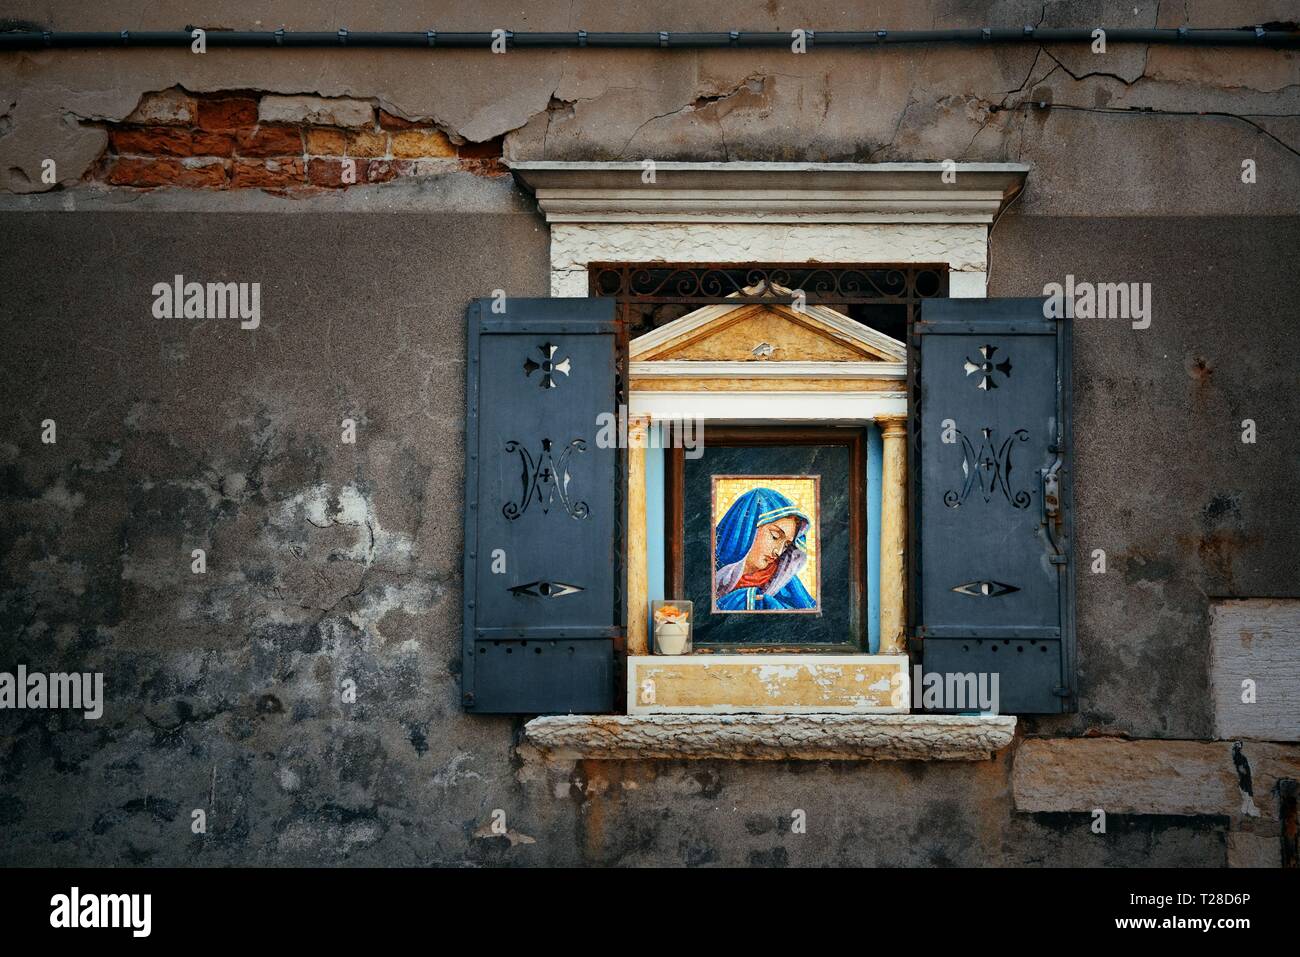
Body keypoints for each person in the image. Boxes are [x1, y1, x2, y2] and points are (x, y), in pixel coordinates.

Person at [713, 487, 816, 611]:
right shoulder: (708, 568)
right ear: (748, 528)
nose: (778, 552)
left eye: (786, 545)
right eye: (775, 536)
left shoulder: (782, 582)